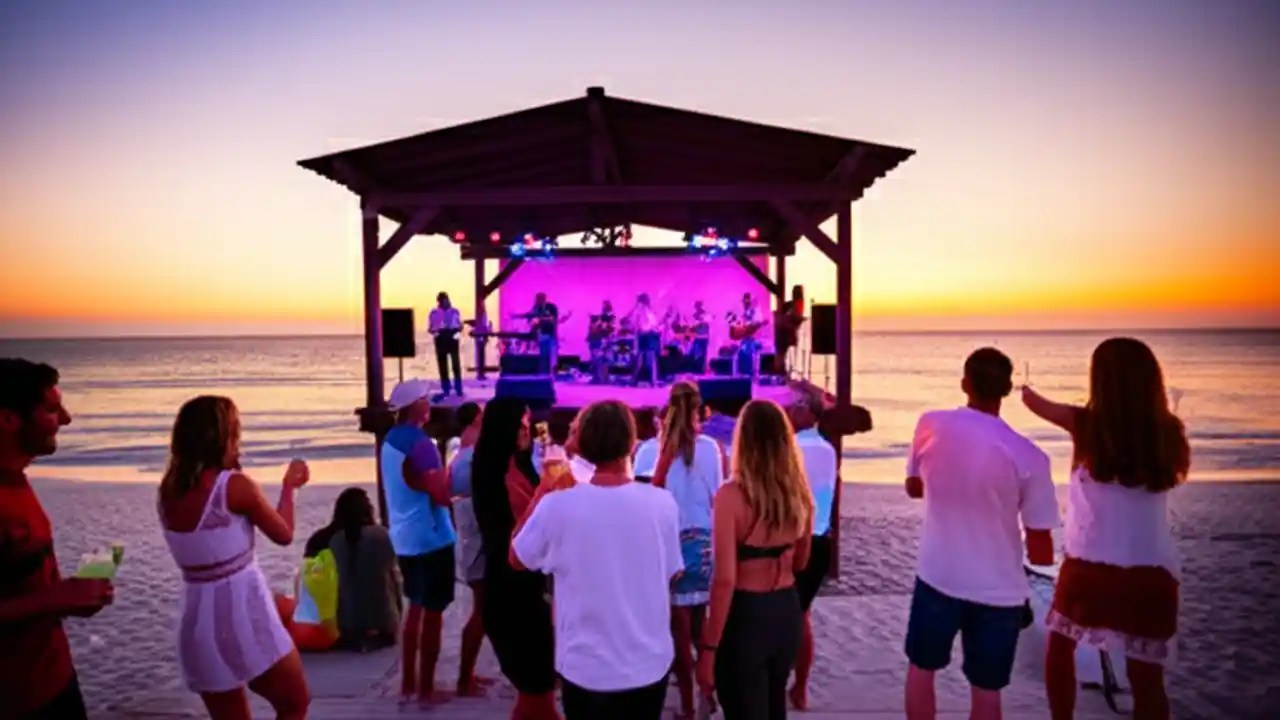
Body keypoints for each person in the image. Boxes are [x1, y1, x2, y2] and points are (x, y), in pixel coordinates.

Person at [1023, 338, 1188, 720]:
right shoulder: (1168, 432)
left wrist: (1024, 389)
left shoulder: (1086, 425)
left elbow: (1036, 405)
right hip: (1153, 572)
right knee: (1147, 677)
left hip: (1090, 566)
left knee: (1060, 648)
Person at [902, 348, 1059, 720]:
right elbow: (1040, 552)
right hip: (999, 591)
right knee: (987, 691)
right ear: (1006, 390)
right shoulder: (1030, 456)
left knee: (921, 671)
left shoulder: (931, 424)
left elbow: (913, 487)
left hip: (938, 575)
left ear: (964, 383)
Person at [513, 400, 683, 720]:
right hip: (647, 664)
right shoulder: (663, 505)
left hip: (584, 667)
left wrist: (543, 490)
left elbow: (518, 557)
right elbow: (672, 574)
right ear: (631, 443)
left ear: (582, 444)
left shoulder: (558, 507)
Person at [157, 396, 310, 719]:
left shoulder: (168, 489)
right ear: (222, 437)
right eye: (235, 433)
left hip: (198, 618)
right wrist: (290, 487)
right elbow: (283, 534)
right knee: (295, 702)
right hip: (243, 614)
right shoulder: (233, 487)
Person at [0, 359, 113, 719]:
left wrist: (67, 597)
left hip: (54, 678)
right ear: (8, 419)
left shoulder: (16, 480)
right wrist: (54, 597)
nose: (66, 418)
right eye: (51, 409)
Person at [697, 399, 814, 720]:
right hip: (786, 611)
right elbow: (802, 561)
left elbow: (724, 581)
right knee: (775, 705)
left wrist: (708, 649)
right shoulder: (799, 492)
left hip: (746, 618)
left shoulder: (731, 496)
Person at [470, 397, 559, 720]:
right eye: (521, 427)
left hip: (527, 589)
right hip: (510, 593)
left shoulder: (518, 465)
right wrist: (546, 492)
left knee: (533, 697)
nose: (527, 433)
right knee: (538, 694)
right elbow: (516, 530)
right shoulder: (493, 472)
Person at [651, 382, 726, 719]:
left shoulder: (664, 449)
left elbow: (655, 491)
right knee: (702, 627)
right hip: (707, 541)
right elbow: (718, 497)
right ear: (701, 410)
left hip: (677, 541)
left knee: (680, 633)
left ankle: (687, 703)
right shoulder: (714, 448)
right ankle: (708, 692)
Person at [381, 378, 455, 705]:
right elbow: (440, 494)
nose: (431, 403)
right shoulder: (420, 444)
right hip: (431, 537)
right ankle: (426, 689)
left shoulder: (390, 441)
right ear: (417, 406)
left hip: (403, 535)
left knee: (415, 609)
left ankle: (408, 684)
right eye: (426, 399)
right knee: (433, 613)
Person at [785, 387, 837, 711]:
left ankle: (784, 683)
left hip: (794, 540)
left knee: (784, 615)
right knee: (802, 615)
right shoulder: (828, 450)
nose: (791, 409)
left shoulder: (792, 449)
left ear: (811, 414)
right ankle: (800, 688)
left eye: (798, 406)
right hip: (820, 539)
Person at [448, 401, 494, 697]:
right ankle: (464, 679)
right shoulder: (471, 461)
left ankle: (470, 674)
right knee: (482, 611)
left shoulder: (458, 458)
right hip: (478, 543)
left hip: (471, 541)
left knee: (487, 611)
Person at [328, 487, 400, 652]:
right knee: (391, 577)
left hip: (346, 623)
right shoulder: (381, 535)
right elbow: (392, 568)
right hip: (382, 620)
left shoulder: (336, 540)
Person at [429, 291, 464, 399]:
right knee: (442, 365)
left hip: (452, 336)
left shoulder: (454, 312)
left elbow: (459, 325)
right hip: (440, 337)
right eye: (442, 300)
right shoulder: (434, 313)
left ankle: (458, 388)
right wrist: (435, 332)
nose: (444, 302)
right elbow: (430, 327)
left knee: (456, 364)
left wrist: (457, 331)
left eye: (445, 300)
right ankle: (446, 389)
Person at [628, 293, 660, 386]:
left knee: (647, 358)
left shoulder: (648, 310)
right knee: (643, 358)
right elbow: (634, 320)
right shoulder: (641, 309)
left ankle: (650, 381)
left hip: (648, 335)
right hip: (644, 335)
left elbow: (653, 323)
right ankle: (639, 381)